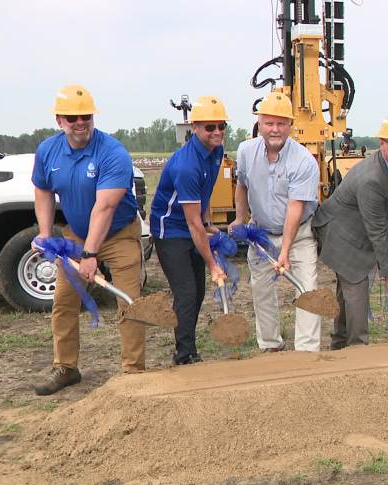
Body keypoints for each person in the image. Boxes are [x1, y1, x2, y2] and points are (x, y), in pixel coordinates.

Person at [31, 84, 146, 395]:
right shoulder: (48, 151)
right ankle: (66, 368)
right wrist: (44, 232)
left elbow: (105, 207)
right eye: (72, 118)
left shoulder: (113, 153)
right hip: (75, 235)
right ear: (59, 120)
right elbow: (42, 190)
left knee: (129, 300)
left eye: (85, 116)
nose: (80, 122)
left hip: (119, 233)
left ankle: (133, 372)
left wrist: (91, 253)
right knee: (64, 301)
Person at [313, 113, 388, 349]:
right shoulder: (372, 179)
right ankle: (358, 348)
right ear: (382, 144)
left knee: (347, 292)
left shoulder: (387, 166)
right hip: (341, 236)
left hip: (348, 229)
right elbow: (377, 231)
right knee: (356, 286)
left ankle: (339, 344)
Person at [230, 91, 321, 352]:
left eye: (281, 123)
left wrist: (284, 250)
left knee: (307, 290)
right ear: (259, 123)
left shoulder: (304, 161)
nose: (275, 129)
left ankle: (306, 351)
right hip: (261, 235)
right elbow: (242, 185)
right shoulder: (246, 151)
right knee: (261, 291)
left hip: (298, 235)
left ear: (291, 125)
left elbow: (295, 207)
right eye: (269, 123)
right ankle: (270, 345)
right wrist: (239, 218)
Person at [150, 96, 228, 365]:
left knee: (198, 292)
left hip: (192, 223)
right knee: (186, 292)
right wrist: (213, 263)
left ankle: (189, 348)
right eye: (210, 127)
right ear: (194, 127)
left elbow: (203, 197)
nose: (217, 132)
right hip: (170, 230)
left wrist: (207, 223)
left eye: (221, 126)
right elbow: (191, 222)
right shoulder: (186, 165)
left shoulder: (216, 151)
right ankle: (184, 354)